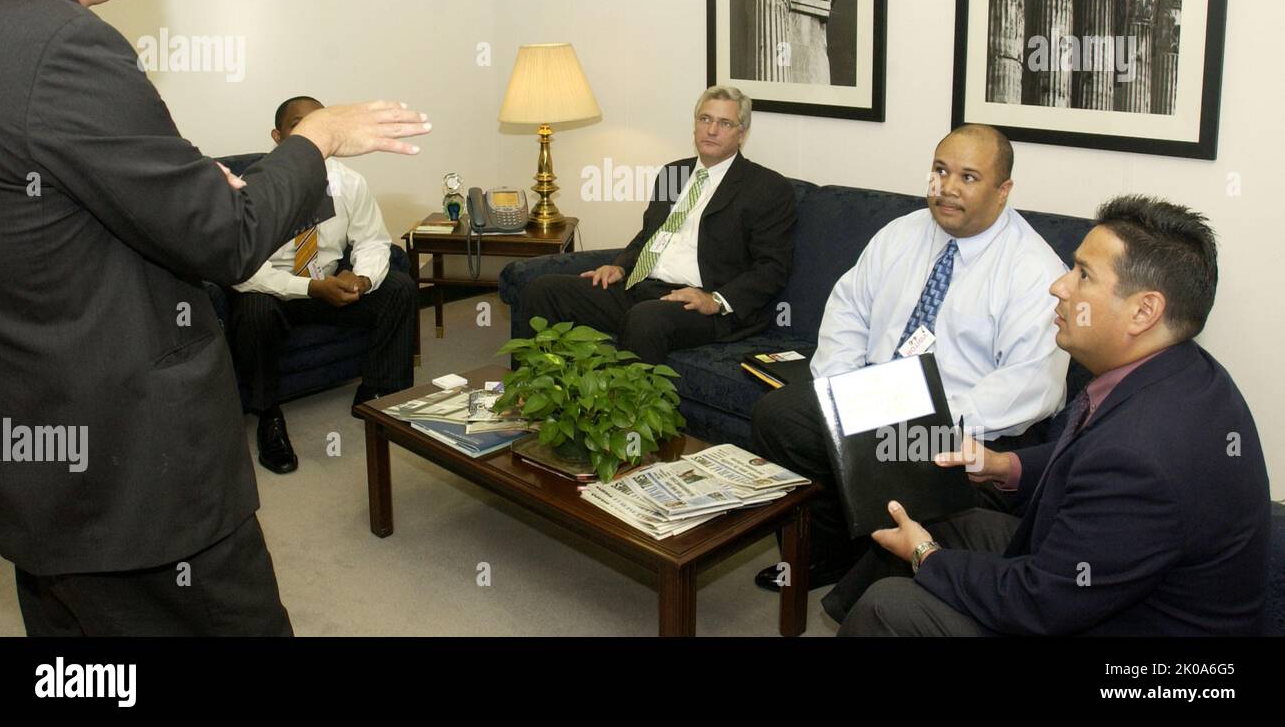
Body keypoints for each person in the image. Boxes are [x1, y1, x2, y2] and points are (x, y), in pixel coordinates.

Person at [0, 0, 431, 635]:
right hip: (133, 480)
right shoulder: (63, 46)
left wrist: (183, 190)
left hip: (38, 458)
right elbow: (227, 241)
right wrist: (318, 141)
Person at [829, 196, 1270, 636]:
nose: (1059, 287)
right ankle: (841, 613)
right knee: (946, 514)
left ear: (1143, 311)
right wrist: (1006, 465)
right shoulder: (1182, 370)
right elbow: (1087, 461)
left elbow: (1040, 603)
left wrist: (924, 554)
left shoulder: (1142, 457)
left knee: (890, 607)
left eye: (1083, 275)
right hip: (1094, 579)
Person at [751, 124, 1069, 591]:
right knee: (778, 416)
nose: (947, 188)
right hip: (871, 393)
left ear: (1003, 191)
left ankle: (879, 567)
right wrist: (844, 396)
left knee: (896, 457)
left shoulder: (1034, 271)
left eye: (968, 177)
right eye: (940, 171)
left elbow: (1027, 387)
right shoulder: (902, 232)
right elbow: (847, 311)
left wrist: (912, 423)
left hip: (967, 428)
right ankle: (827, 553)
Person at [521, 86, 796, 365]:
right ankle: (532, 396)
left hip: (699, 304)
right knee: (542, 290)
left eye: (724, 123)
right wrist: (620, 266)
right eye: (704, 119)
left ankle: (630, 409)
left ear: (742, 133)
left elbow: (772, 268)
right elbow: (648, 235)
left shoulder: (767, 188)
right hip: (642, 288)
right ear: (694, 125)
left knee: (645, 319)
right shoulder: (673, 173)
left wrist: (715, 299)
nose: (711, 130)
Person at [228, 96, 417, 474]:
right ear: (279, 136)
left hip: (326, 286)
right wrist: (311, 289)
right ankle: (269, 418)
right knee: (253, 307)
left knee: (398, 286)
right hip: (273, 291)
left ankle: (378, 394)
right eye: (299, 125)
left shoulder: (348, 181)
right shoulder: (252, 187)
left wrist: (361, 278)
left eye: (320, 122)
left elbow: (372, 241)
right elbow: (242, 269)